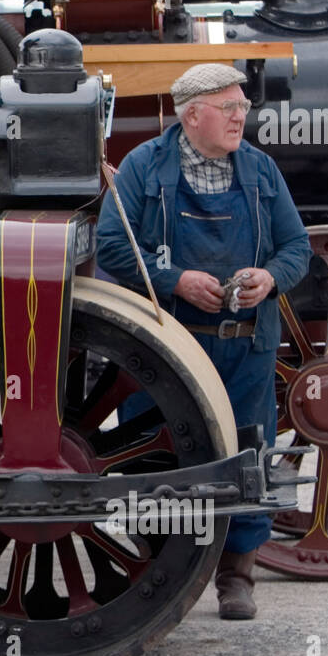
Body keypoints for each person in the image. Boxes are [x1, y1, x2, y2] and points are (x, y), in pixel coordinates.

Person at [96, 63, 311, 619]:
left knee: (248, 454)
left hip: (245, 346)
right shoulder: (146, 168)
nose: (243, 116)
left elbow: (296, 248)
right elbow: (113, 248)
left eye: (244, 107)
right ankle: (154, 574)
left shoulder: (262, 171)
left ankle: (236, 578)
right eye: (230, 106)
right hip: (166, 350)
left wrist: (271, 279)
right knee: (158, 455)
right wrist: (176, 281)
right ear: (193, 114)